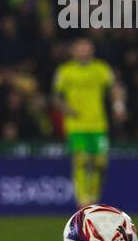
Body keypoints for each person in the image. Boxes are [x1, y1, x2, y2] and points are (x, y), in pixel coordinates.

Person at [52, 38, 125, 207]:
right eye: (80, 49)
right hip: (76, 125)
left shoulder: (101, 68)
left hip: (98, 124)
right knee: (82, 160)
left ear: (92, 50)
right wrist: (66, 109)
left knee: (100, 163)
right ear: (73, 51)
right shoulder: (65, 71)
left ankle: (94, 197)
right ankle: (83, 201)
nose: (84, 52)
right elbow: (56, 96)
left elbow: (115, 88)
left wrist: (119, 107)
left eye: (87, 48)